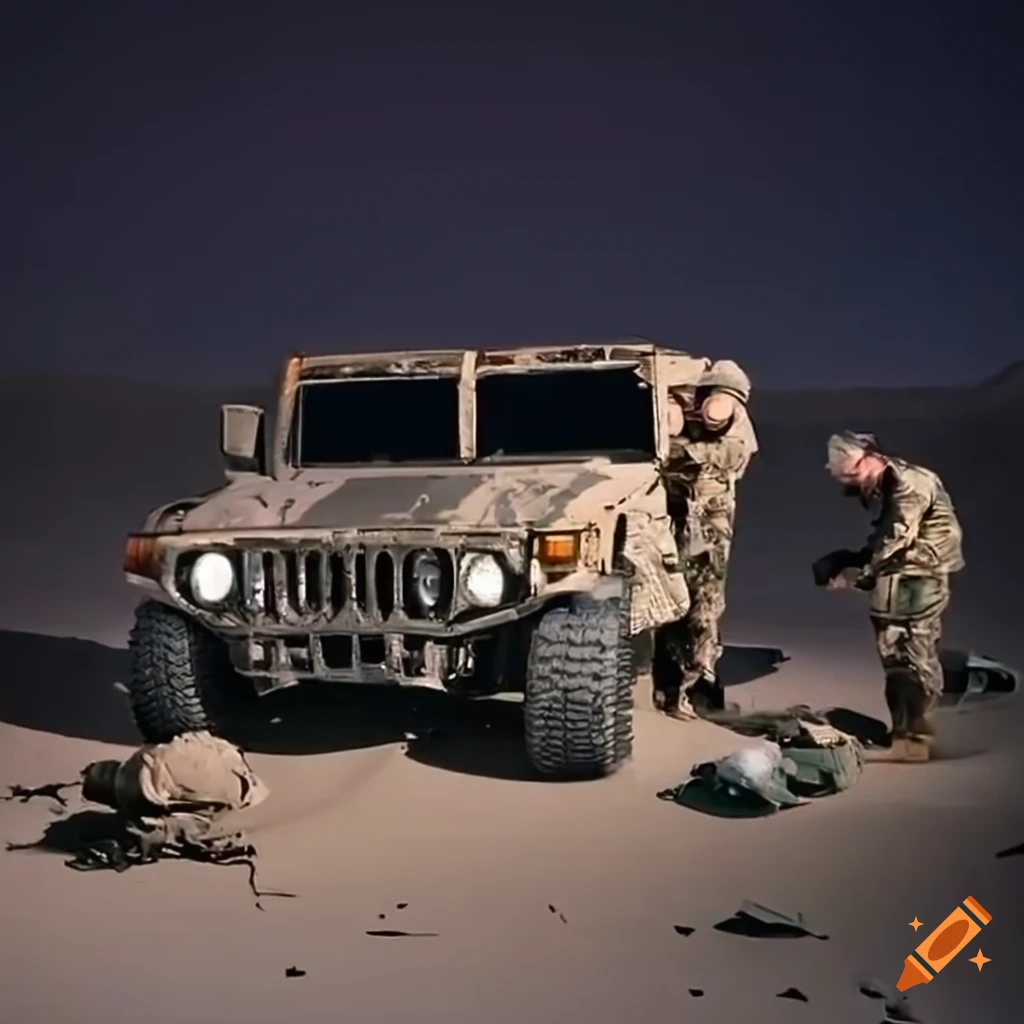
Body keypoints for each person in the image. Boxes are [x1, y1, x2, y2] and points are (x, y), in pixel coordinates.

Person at [819, 431, 965, 761]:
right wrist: (855, 559)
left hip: (921, 575)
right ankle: (904, 731)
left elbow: (898, 534)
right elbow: (887, 534)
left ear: (870, 458)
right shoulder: (888, 483)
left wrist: (860, 573)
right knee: (895, 654)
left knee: (913, 655)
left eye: (853, 474)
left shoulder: (910, 483)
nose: (854, 485)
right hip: (901, 574)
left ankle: (917, 737)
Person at [656, 360, 758, 720]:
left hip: (705, 521)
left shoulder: (730, 419)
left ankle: (693, 685)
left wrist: (680, 453)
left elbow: (732, 454)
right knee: (661, 599)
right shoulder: (674, 398)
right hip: (660, 513)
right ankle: (668, 685)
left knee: (702, 604)